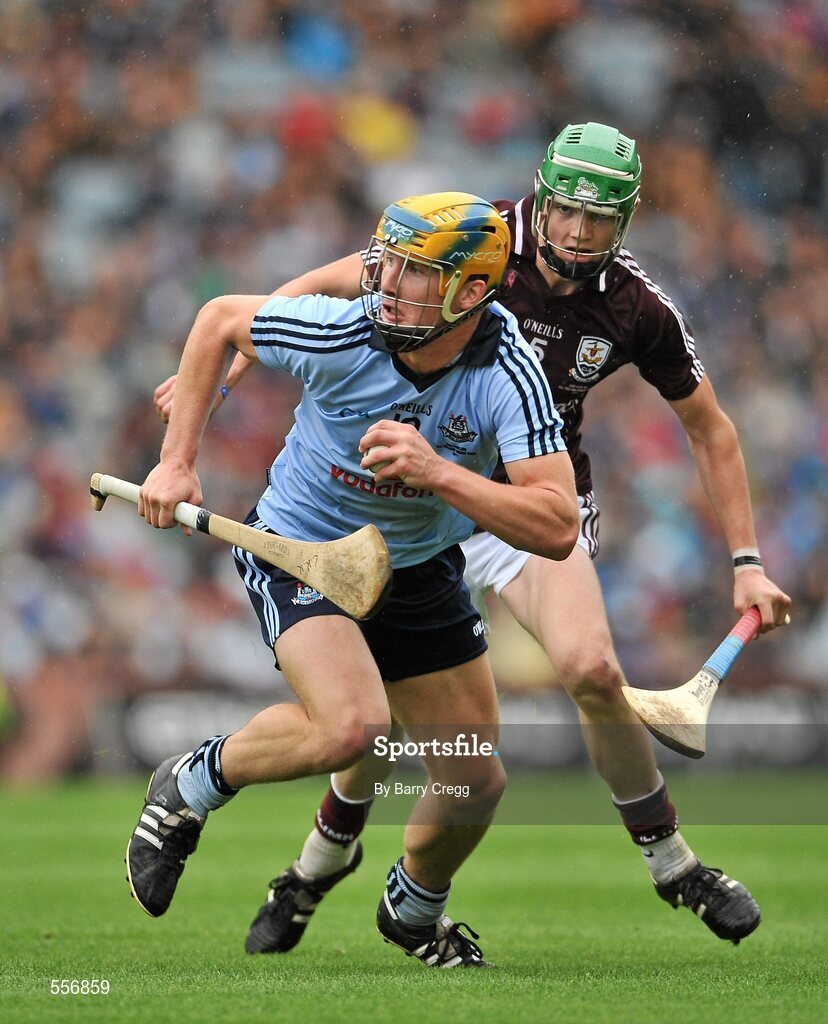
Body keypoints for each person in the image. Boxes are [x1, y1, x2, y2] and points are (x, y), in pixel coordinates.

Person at [157, 123, 792, 952]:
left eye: (597, 221)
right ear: (541, 196)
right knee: (369, 707)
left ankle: (672, 863)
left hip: (522, 503)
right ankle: (321, 863)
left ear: (626, 222)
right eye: (564, 211)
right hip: (413, 497)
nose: (574, 233)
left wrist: (746, 562)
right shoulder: (476, 241)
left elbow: (710, 431)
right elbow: (345, 277)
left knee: (593, 669)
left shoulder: (638, 308)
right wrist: (248, 347)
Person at [127, 191, 579, 968]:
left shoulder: (510, 369)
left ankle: (412, 911)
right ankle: (192, 783)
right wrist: (177, 460)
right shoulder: (342, 331)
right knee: (353, 727)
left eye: (414, 272)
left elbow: (558, 524)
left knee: (475, 780)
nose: (386, 284)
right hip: (299, 545)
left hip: (416, 567)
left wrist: (440, 474)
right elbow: (218, 320)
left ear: (471, 293)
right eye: (388, 263)